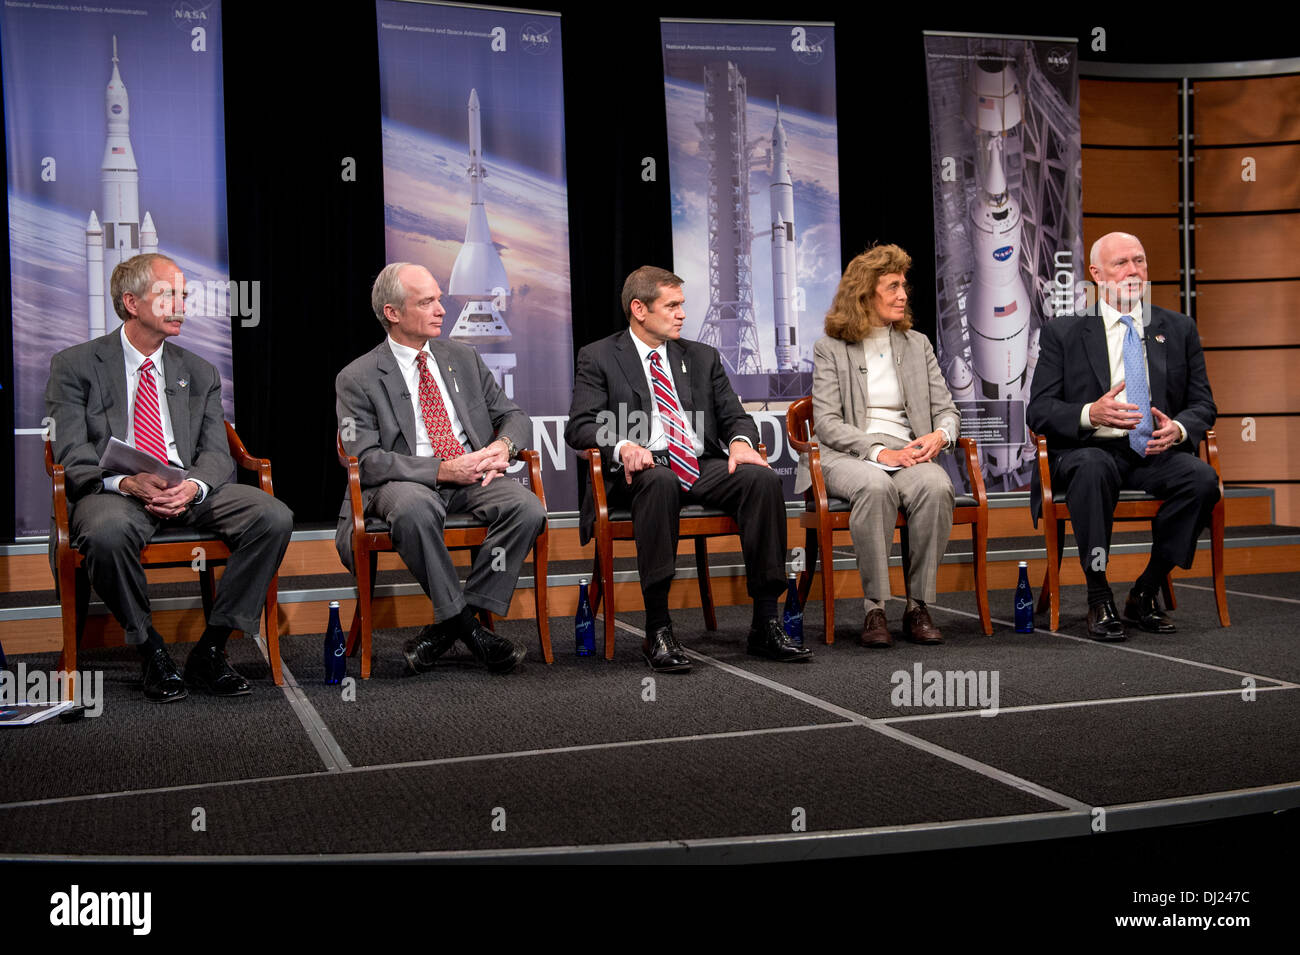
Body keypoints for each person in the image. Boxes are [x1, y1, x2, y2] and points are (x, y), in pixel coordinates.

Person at [45, 253, 293, 702]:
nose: (180, 305)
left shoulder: (199, 371)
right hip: (115, 490)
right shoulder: (75, 365)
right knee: (105, 532)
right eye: (168, 295)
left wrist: (193, 486)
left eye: (183, 295)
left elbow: (217, 453)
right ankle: (150, 649)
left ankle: (212, 649)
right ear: (131, 302)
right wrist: (125, 482)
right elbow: (70, 449)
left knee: (272, 517)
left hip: (187, 487)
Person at [565, 265, 810, 672]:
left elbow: (736, 416)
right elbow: (580, 425)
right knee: (659, 480)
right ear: (639, 309)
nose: (682, 314)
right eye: (673, 305)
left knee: (762, 480)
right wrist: (623, 444)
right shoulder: (600, 356)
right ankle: (658, 628)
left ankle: (766, 622)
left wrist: (739, 443)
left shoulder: (700, 356)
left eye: (683, 305)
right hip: (640, 470)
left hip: (699, 463)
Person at [335, 262, 544, 674]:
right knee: (416, 509)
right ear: (392, 313)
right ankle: (471, 630)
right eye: (426, 301)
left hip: (472, 476)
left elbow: (515, 415)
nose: (441, 309)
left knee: (528, 509)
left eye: (439, 299)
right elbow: (366, 458)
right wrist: (443, 470)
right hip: (402, 482)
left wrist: (503, 445)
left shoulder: (462, 357)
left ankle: (449, 629)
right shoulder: (357, 376)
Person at [1027, 232, 1219, 640]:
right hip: (1089, 450)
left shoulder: (1178, 328)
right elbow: (1039, 410)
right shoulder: (1064, 332)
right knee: (1093, 468)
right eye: (1121, 263)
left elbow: (1203, 405)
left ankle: (1146, 590)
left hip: (1153, 451)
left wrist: (1178, 428)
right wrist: (1089, 413)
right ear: (1096, 274)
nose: (1134, 271)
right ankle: (1099, 596)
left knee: (1202, 480)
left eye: (1140, 260)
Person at [798, 245, 959, 647]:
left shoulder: (917, 344)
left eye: (903, 285)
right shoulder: (831, 348)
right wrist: (876, 452)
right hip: (847, 454)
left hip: (908, 452)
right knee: (874, 487)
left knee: (936, 486)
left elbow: (947, 410)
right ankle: (875, 608)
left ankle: (917, 605)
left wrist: (941, 435)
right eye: (892, 287)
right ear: (864, 293)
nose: (903, 294)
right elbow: (828, 424)